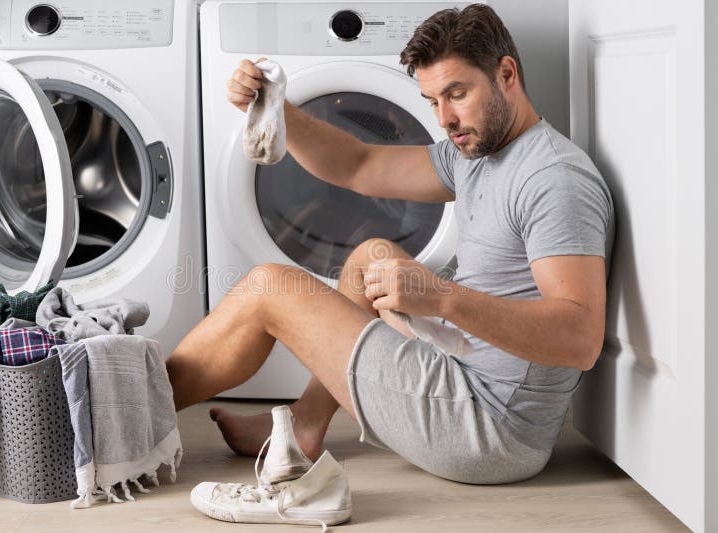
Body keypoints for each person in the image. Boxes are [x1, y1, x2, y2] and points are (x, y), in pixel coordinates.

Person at [166, 3, 614, 484]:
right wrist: (276, 109)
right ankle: (305, 424)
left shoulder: (553, 180)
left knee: (269, 287)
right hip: (463, 370)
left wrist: (442, 298)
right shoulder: (477, 153)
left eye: (457, 94)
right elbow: (356, 165)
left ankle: (124, 412)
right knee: (370, 257)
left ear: (506, 74)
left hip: (488, 428)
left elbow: (580, 340)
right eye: (433, 101)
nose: (445, 119)